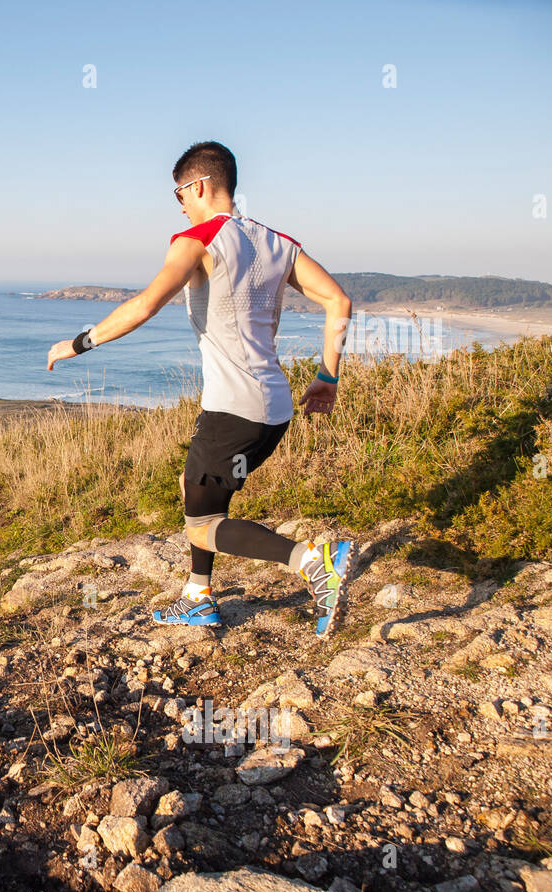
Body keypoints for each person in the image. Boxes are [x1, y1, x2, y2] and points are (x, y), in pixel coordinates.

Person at [46, 141, 357, 637]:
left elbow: (146, 305)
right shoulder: (277, 243)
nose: (180, 205)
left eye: (179, 194)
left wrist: (79, 343)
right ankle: (199, 596)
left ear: (199, 186)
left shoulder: (197, 239)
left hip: (233, 409)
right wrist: (327, 376)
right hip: (272, 409)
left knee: (202, 525)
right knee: (202, 493)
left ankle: (315, 562)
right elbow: (338, 301)